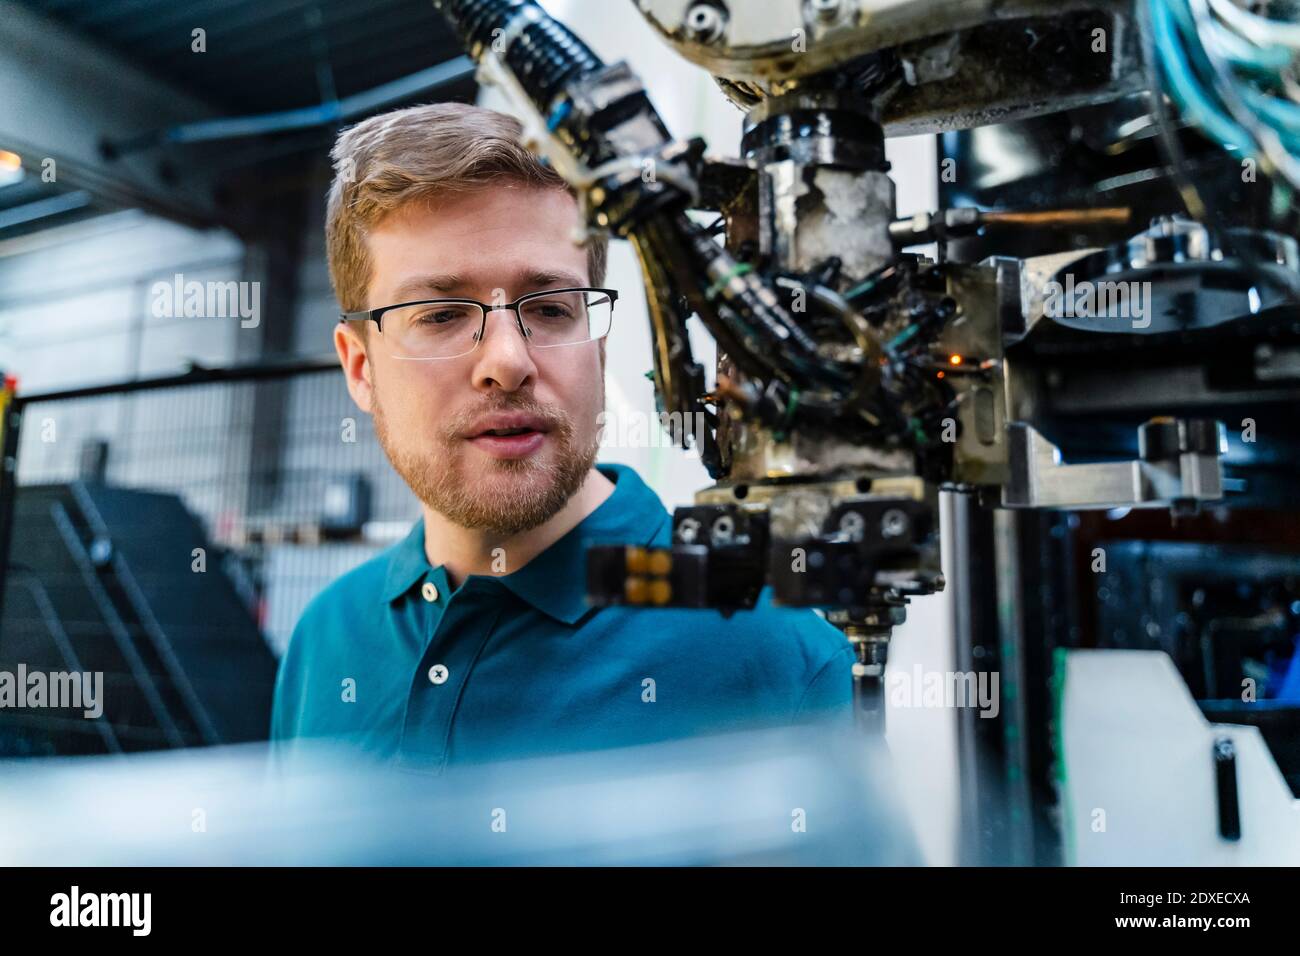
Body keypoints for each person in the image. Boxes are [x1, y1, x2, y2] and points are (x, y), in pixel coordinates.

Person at [270, 102, 854, 771]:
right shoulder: (324, 642)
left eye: (549, 309)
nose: (508, 362)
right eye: (440, 315)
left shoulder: (774, 654)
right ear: (361, 366)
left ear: (597, 344)